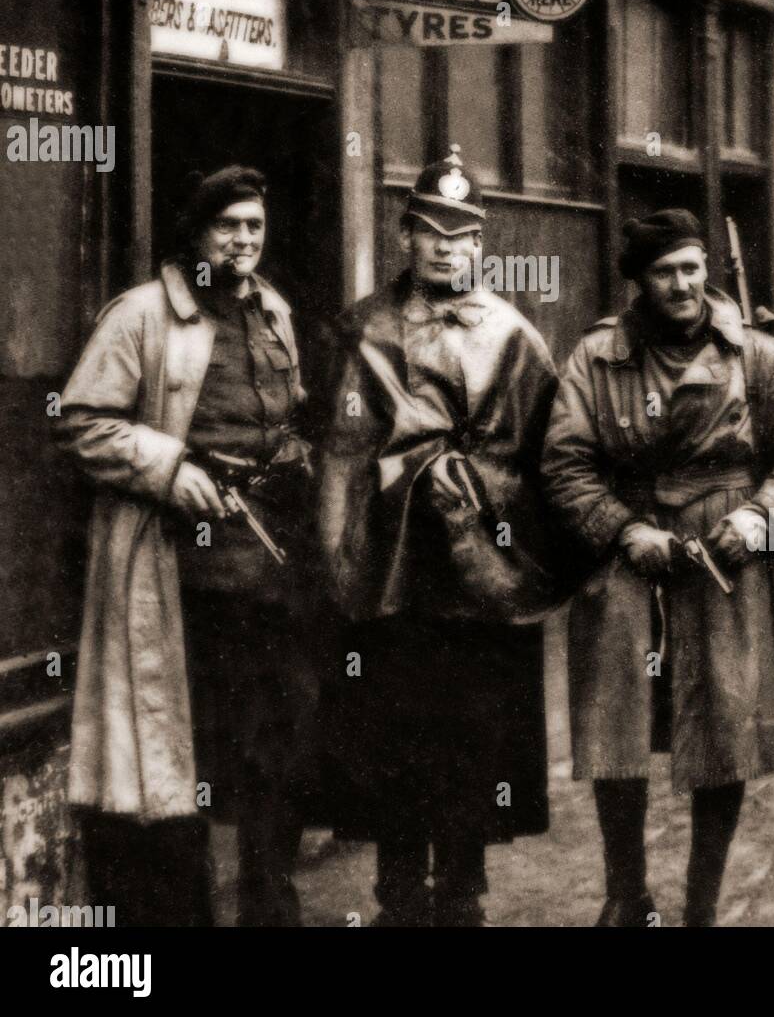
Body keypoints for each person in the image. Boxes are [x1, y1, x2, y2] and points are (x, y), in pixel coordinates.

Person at [540, 209, 774, 926]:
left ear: (708, 268)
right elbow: (564, 461)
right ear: (639, 281)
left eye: (692, 267)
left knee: (725, 723)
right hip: (631, 550)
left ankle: (702, 905)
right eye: (665, 271)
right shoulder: (596, 356)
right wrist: (621, 527)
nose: (682, 284)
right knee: (617, 720)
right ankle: (626, 894)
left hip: (726, 553)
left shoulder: (755, 354)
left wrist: (759, 515)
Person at [56, 166, 315, 926]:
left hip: (270, 566)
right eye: (228, 226)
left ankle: (270, 910)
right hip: (181, 572)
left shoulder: (273, 312)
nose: (243, 241)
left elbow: (289, 412)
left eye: (254, 228)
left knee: (276, 753)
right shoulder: (141, 315)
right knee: (185, 758)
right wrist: (169, 469)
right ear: (196, 235)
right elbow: (82, 423)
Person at [315, 146, 559, 927]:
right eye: (430, 230)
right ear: (405, 236)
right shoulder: (363, 329)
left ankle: (462, 896)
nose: (445, 247)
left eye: (462, 233)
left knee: (471, 743)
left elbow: (548, 460)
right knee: (394, 740)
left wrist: (481, 494)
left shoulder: (516, 339)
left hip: (479, 573)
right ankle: (397, 899)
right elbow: (342, 454)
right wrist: (344, 552)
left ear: (482, 243)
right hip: (392, 572)